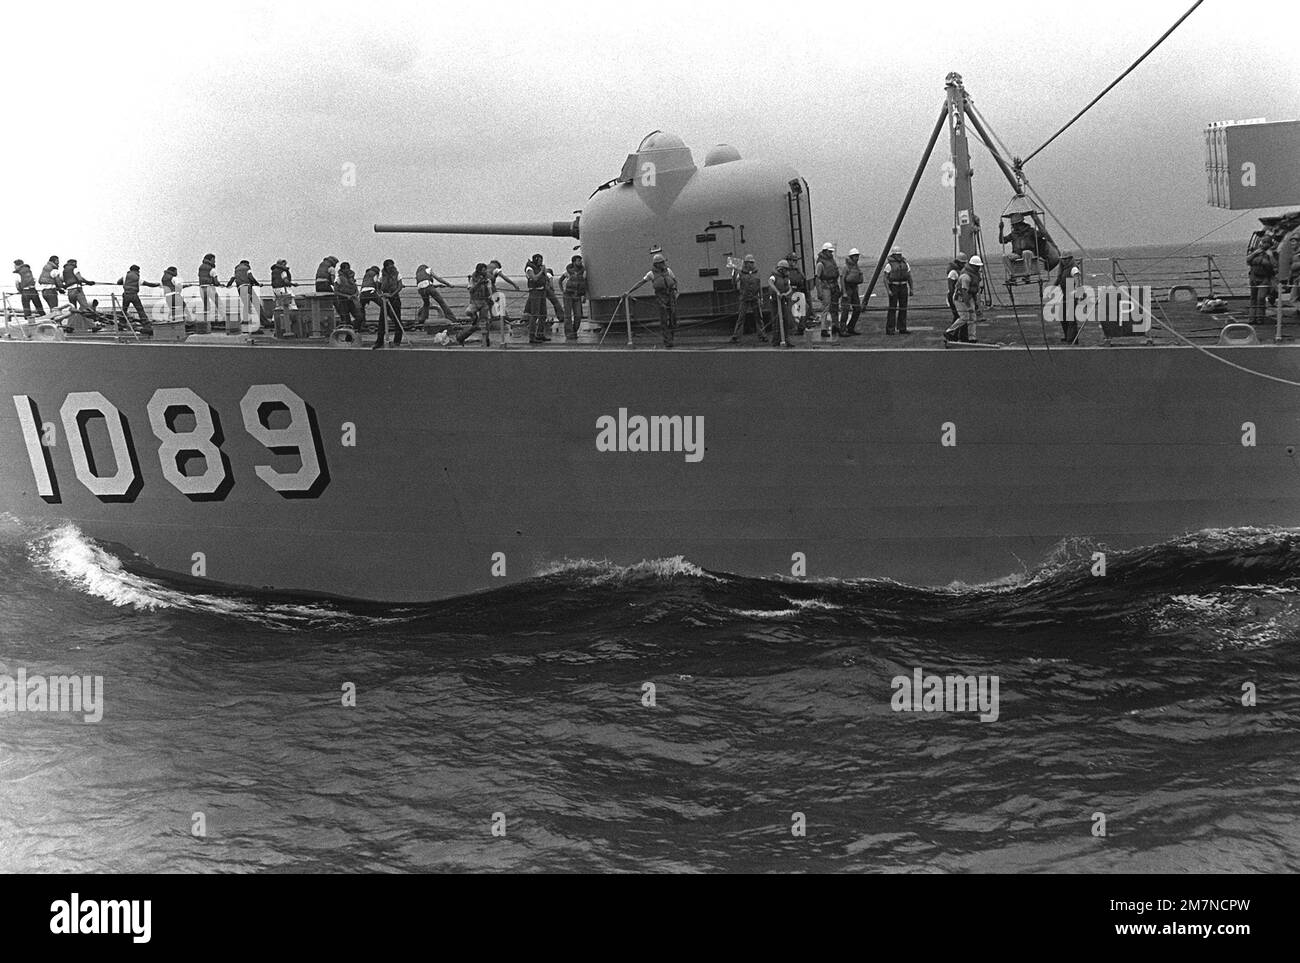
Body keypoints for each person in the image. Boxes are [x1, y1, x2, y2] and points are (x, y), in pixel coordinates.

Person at [628, 252, 679, 347]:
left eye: (664, 262)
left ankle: (671, 337)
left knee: (673, 319)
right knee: (664, 320)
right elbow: (641, 283)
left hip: (671, 296)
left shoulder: (669, 271)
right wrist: (629, 292)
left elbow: (675, 281)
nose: (664, 264)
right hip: (661, 297)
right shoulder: (651, 274)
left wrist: (676, 291)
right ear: (657, 264)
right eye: (662, 262)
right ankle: (667, 341)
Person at [946, 254, 984, 343]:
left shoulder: (975, 276)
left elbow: (975, 291)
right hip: (960, 299)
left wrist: (976, 304)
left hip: (969, 297)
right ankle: (949, 331)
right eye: (977, 266)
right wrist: (969, 306)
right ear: (973, 266)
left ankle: (972, 337)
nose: (979, 268)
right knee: (964, 317)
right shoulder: (965, 277)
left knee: (972, 318)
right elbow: (964, 292)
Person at [457, 263, 494, 347]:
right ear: (479, 271)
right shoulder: (472, 279)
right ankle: (474, 319)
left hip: (484, 302)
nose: (485, 272)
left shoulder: (487, 280)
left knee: (485, 323)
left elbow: (489, 289)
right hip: (474, 302)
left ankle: (486, 340)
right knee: (468, 312)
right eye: (483, 270)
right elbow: (471, 290)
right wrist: (479, 283)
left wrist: (490, 296)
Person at [731, 253, 765, 343]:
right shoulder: (741, 273)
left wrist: (761, 298)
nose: (751, 264)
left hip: (755, 297)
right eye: (749, 262)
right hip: (744, 298)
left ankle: (762, 335)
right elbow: (734, 282)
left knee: (759, 317)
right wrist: (734, 272)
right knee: (741, 317)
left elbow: (759, 286)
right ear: (745, 263)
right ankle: (736, 336)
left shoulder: (757, 273)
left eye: (752, 262)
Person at [116, 264, 159, 329]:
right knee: (140, 310)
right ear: (137, 270)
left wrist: (125, 283)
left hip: (126, 295)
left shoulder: (125, 276)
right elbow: (149, 284)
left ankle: (121, 324)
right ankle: (146, 324)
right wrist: (157, 284)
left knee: (124, 310)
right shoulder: (137, 278)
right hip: (134, 295)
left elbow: (118, 282)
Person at [226, 259, 263, 332]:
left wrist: (228, 285)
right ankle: (263, 322)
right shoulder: (247, 268)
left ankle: (246, 321)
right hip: (248, 287)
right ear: (246, 264)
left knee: (246, 305)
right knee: (256, 304)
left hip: (240, 289)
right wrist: (257, 284)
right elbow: (250, 277)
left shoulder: (236, 270)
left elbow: (232, 279)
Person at [883, 245, 913, 335]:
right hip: (894, 287)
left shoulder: (905, 264)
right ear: (893, 255)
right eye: (897, 254)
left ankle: (902, 328)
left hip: (903, 286)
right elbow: (885, 278)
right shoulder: (889, 265)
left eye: (900, 254)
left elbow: (909, 277)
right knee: (892, 308)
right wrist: (888, 290)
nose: (899, 256)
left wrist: (911, 288)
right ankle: (890, 329)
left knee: (903, 308)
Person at [374, 259, 403, 348]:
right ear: (386, 267)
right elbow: (377, 288)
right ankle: (379, 342)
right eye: (389, 266)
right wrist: (381, 295)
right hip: (385, 299)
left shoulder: (397, 274)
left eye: (392, 265)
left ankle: (397, 341)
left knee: (397, 319)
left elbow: (400, 286)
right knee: (382, 321)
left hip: (394, 298)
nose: (392, 268)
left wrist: (392, 294)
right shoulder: (381, 276)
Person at [813, 242, 841, 335]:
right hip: (825, 287)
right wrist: (819, 292)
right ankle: (823, 329)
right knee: (826, 308)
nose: (831, 254)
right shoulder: (820, 264)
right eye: (829, 252)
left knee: (835, 307)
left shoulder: (832, 261)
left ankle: (835, 326)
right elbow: (817, 278)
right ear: (825, 251)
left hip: (833, 286)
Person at [1248, 237, 1277, 323]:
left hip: (1264, 278)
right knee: (1253, 298)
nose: (1265, 244)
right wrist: (1255, 253)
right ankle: (1252, 318)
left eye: (1267, 243)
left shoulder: (1272, 253)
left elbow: (1275, 265)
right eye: (1264, 242)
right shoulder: (1256, 252)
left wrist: (1270, 255)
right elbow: (1248, 260)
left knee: (1261, 298)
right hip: (1254, 277)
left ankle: (1260, 318)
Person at [1055, 254, 1083, 343]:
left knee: (1071, 319)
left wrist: (1079, 295)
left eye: (1066, 259)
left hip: (1072, 296)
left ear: (1071, 259)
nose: (1064, 261)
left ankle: (1072, 339)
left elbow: (1078, 282)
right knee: (1062, 316)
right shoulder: (1063, 269)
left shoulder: (1074, 269)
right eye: (1063, 259)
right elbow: (1059, 279)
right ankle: (1068, 336)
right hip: (1065, 296)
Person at [767, 259, 796, 347]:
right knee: (776, 321)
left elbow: (790, 288)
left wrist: (785, 294)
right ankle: (775, 340)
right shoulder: (774, 276)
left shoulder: (787, 278)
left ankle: (786, 339)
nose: (786, 271)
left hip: (783, 300)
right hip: (775, 301)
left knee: (785, 320)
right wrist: (777, 292)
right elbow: (770, 282)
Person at [524, 253, 550, 342]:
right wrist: (541, 271)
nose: (541, 262)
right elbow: (534, 278)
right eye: (539, 260)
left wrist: (545, 272)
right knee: (534, 314)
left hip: (542, 291)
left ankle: (540, 333)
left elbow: (546, 278)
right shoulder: (529, 268)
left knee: (543, 314)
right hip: (535, 292)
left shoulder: (540, 268)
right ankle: (532, 336)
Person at [561, 255, 586, 340]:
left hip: (577, 295)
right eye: (578, 261)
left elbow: (585, 284)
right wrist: (562, 290)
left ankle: (574, 330)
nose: (580, 262)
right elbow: (561, 280)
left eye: (580, 261)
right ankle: (569, 333)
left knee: (578, 315)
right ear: (574, 262)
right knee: (567, 315)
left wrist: (584, 295)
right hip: (568, 295)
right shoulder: (568, 272)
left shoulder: (583, 272)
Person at [840, 248, 864, 336]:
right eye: (855, 256)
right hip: (847, 288)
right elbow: (842, 279)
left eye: (858, 256)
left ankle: (850, 327)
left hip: (854, 288)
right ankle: (842, 330)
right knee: (845, 310)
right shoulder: (846, 267)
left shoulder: (856, 266)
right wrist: (844, 292)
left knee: (857, 309)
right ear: (851, 257)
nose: (857, 258)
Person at [270, 259, 296, 335]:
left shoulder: (274, 271)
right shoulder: (283, 271)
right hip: (282, 288)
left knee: (279, 305)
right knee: (290, 303)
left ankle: (274, 320)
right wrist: (293, 284)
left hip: (275, 290)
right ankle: (293, 320)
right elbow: (285, 281)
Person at [333, 261, 361, 329]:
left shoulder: (351, 278)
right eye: (346, 268)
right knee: (346, 319)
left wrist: (355, 294)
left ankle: (354, 330)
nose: (348, 270)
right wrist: (346, 296)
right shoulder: (339, 279)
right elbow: (336, 292)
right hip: (343, 301)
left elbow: (356, 289)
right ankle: (349, 336)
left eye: (348, 268)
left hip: (353, 301)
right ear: (342, 269)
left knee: (359, 317)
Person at [785, 252, 808, 333]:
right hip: (789, 292)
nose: (794, 262)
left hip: (797, 291)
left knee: (805, 307)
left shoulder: (797, 270)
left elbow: (803, 278)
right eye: (792, 260)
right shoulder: (785, 270)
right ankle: (792, 328)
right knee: (789, 311)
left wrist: (799, 272)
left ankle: (801, 327)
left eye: (795, 261)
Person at [945, 251, 969, 326]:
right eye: (962, 263)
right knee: (958, 316)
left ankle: (958, 334)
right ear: (958, 262)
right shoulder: (953, 272)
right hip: (954, 296)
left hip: (958, 296)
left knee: (960, 316)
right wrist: (953, 300)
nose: (964, 265)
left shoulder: (960, 271)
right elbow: (951, 287)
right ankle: (951, 332)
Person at [198, 254, 221, 328]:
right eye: (214, 259)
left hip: (201, 288)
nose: (215, 261)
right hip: (210, 288)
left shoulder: (200, 267)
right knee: (218, 303)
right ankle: (225, 318)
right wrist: (219, 284)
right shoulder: (212, 269)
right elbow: (216, 281)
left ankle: (205, 322)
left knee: (206, 306)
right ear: (211, 260)